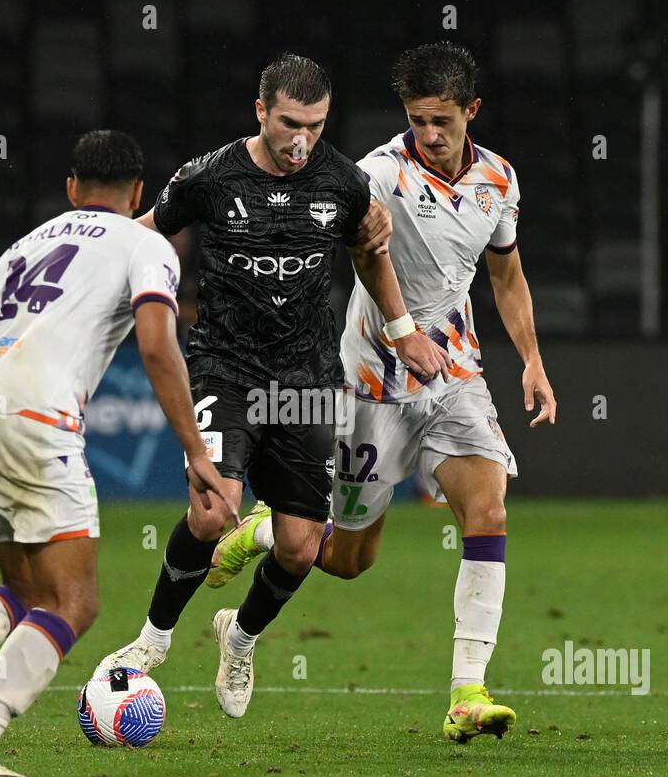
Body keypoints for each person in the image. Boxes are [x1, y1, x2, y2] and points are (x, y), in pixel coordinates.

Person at [210, 43, 558, 742]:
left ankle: (467, 692)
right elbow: (361, 256)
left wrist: (532, 360)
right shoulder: (378, 174)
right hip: (369, 385)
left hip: (455, 377)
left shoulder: (499, 180)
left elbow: (507, 276)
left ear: (471, 112)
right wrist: (400, 335)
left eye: (443, 120)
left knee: (488, 509)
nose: (429, 132)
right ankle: (263, 543)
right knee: (344, 559)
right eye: (418, 119)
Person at [0, 130, 235, 777]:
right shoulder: (145, 243)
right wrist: (196, 450)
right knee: (75, 601)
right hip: (40, 421)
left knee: (25, 592)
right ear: (137, 194)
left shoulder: (22, 247)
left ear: (71, 189)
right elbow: (158, 345)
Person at [94, 53, 450, 718]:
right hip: (225, 368)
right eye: (289, 122)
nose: (300, 140)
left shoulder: (344, 184)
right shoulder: (206, 177)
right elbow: (146, 235)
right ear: (261, 111)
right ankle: (152, 640)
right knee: (212, 509)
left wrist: (403, 331)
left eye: (315, 125)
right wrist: (86, 253)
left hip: (307, 379)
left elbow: (370, 257)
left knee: (301, 545)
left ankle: (242, 636)